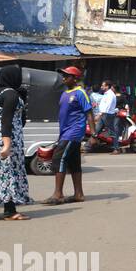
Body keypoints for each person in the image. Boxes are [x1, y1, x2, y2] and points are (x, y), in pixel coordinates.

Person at [45, 66, 94, 206]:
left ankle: (58, 194)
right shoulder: (64, 93)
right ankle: (79, 194)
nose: (64, 77)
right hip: (65, 132)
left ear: (75, 78)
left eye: (67, 75)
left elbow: (89, 113)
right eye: (63, 75)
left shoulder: (80, 93)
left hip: (74, 132)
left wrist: (94, 134)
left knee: (59, 158)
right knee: (73, 163)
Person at [0, 65, 32, 221]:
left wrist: (23, 102)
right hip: (6, 139)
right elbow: (6, 121)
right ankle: (9, 212)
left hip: (8, 138)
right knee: (8, 174)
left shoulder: (2, 92)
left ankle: (9, 211)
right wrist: (7, 145)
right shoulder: (10, 94)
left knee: (4, 175)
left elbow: (20, 121)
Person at [97, 80, 120, 153]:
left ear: (107, 86)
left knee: (112, 132)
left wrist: (100, 113)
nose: (101, 87)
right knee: (96, 130)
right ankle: (86, 147)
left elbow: (108, 106)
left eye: (103, 85)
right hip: (103, 114)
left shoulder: (110, 94)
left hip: (107, 115)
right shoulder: (106, 94)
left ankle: (116, 148)